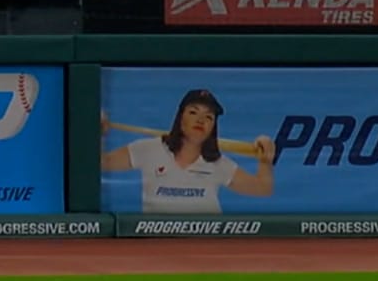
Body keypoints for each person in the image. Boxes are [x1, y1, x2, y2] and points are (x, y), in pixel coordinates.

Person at [100, 88, 276, 214]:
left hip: (206, 245)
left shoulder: (218, 163)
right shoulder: (148, 149)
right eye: (193, 112)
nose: (201, 120)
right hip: (156, 243)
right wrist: (98, 135)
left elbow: (262, 189)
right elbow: (99, 163)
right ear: (180, 117)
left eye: (208, 117)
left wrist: (265, 160)